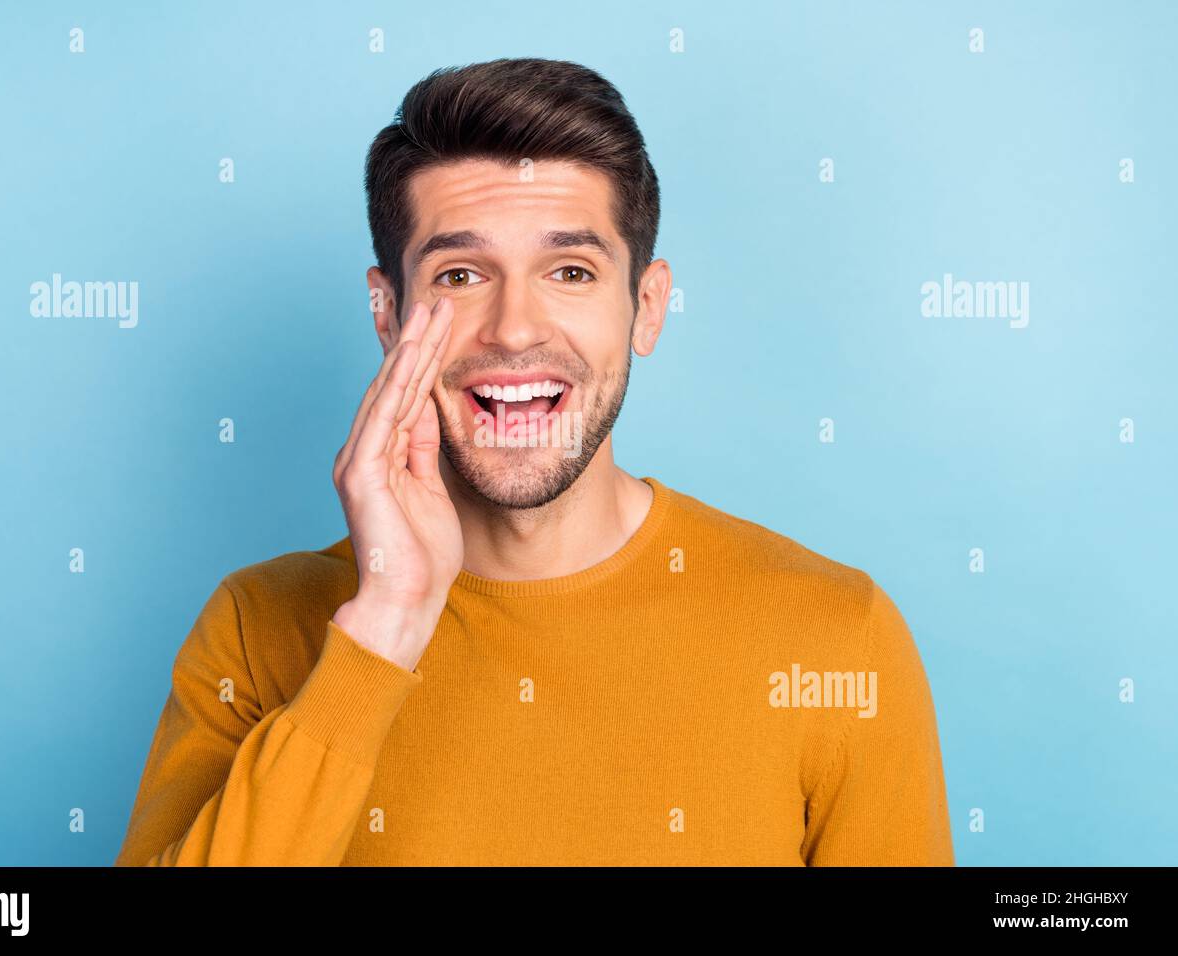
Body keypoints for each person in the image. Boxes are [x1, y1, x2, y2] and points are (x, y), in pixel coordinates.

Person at [114, 57, 953, 866]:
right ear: (387, 311)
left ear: (647, 308)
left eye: (572, 270)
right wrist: (385, 630)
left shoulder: (838, 637)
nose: (514, 329)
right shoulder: (257, 629)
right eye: (462, 274)